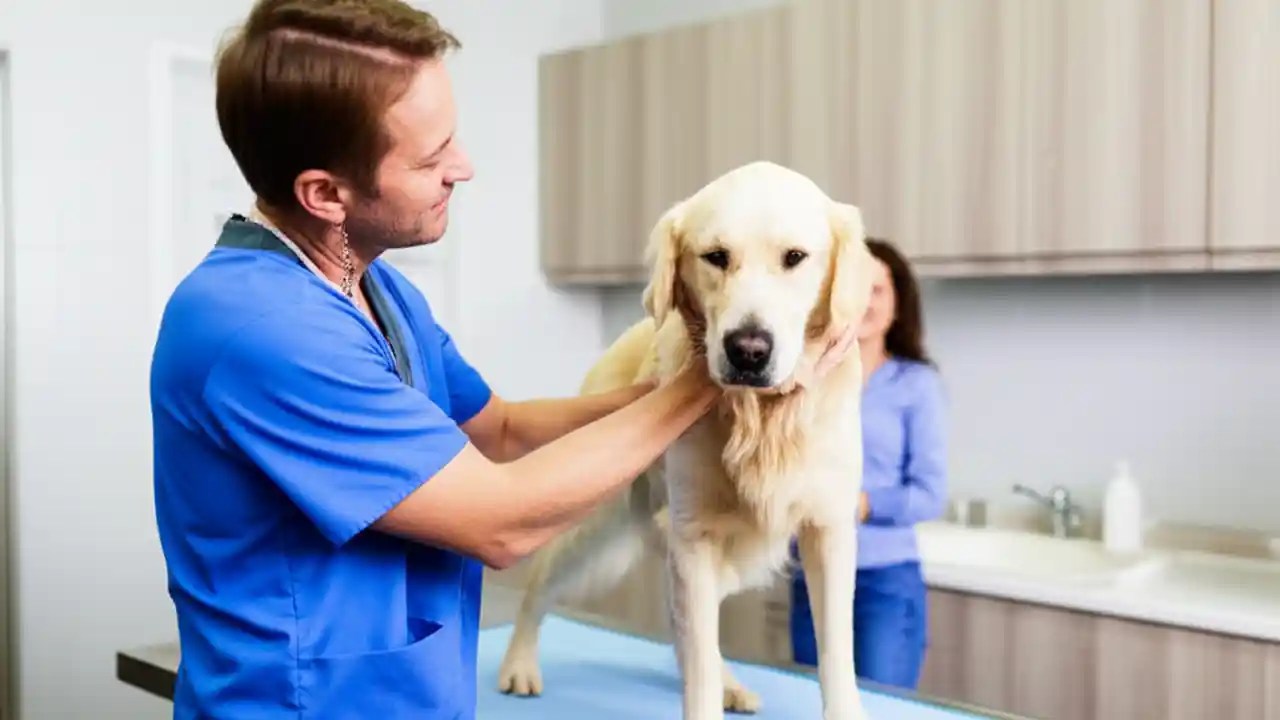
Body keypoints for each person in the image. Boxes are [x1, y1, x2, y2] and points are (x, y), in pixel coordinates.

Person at [148, 1, 859, 718]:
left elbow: (503, 429)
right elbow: (502, 524)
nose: (464, 167)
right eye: (432, 158)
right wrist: (719, 371)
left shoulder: (374, 287)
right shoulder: (262, 331)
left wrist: (662, 383)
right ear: (325, 193)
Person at [788, 238, 949, 691]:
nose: (864, 301)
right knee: (808, 700)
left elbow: (929, 493)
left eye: (877, 290)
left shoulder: (916, 385)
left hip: (883, 582)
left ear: (898, 304)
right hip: (811, 574)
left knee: (879, 707)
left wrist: (858, 504)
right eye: (856, 288)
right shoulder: (804, 380)